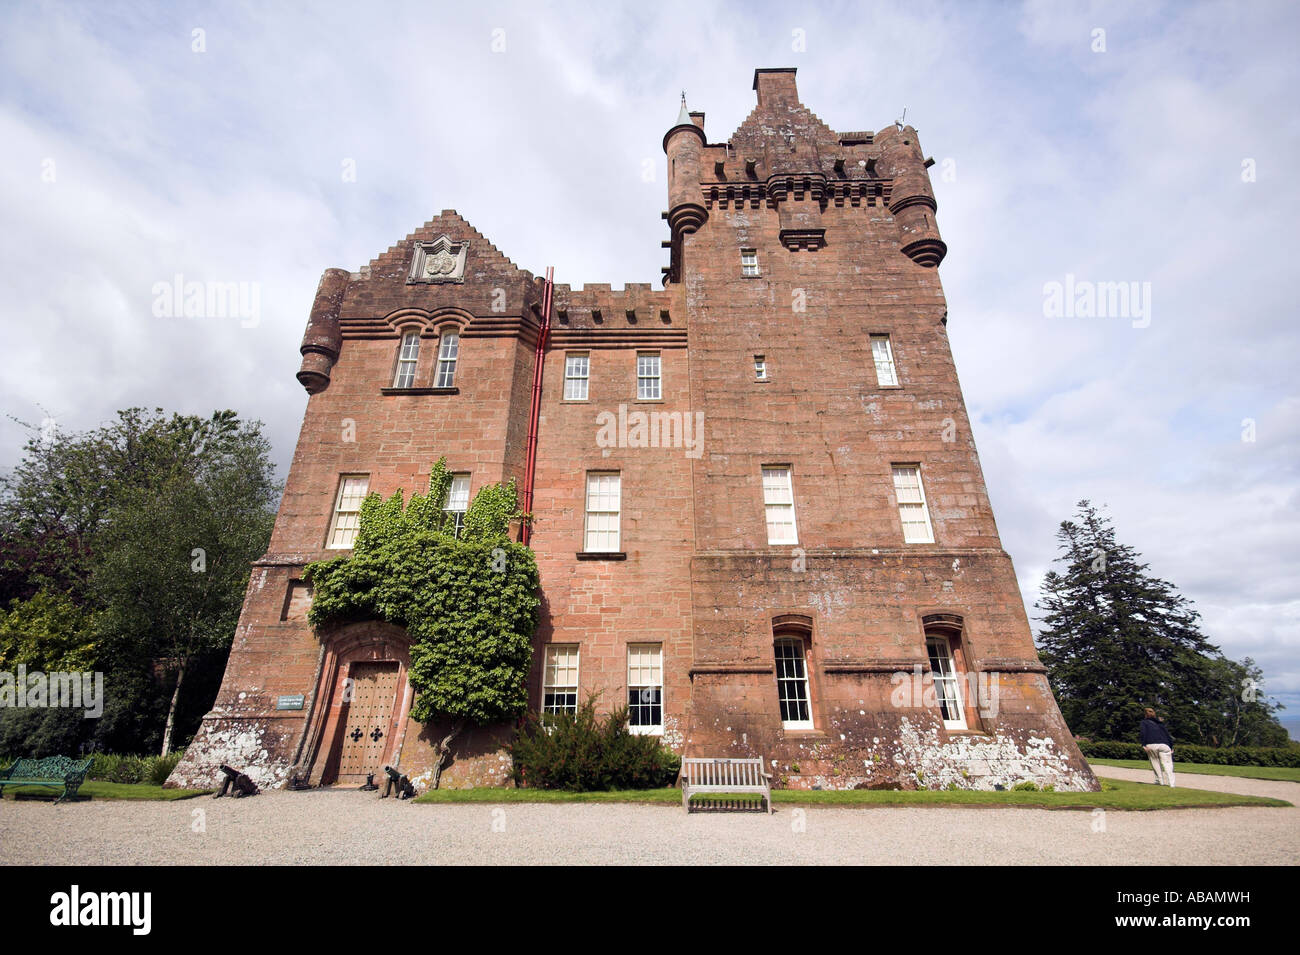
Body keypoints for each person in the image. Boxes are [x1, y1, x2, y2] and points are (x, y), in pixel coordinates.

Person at [1139, 707, 1176, 787]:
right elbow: (1167, 735)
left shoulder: (1144, 722)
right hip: (1164, 745)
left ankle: (1160, 781)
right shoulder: (1160, 723)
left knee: (1155, 762)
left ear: (1145, 715)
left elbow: (1143, 733)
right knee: (1168, 764)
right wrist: (1171, 746)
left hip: (1151, 745)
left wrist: (1143, 744)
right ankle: (1171, 783)